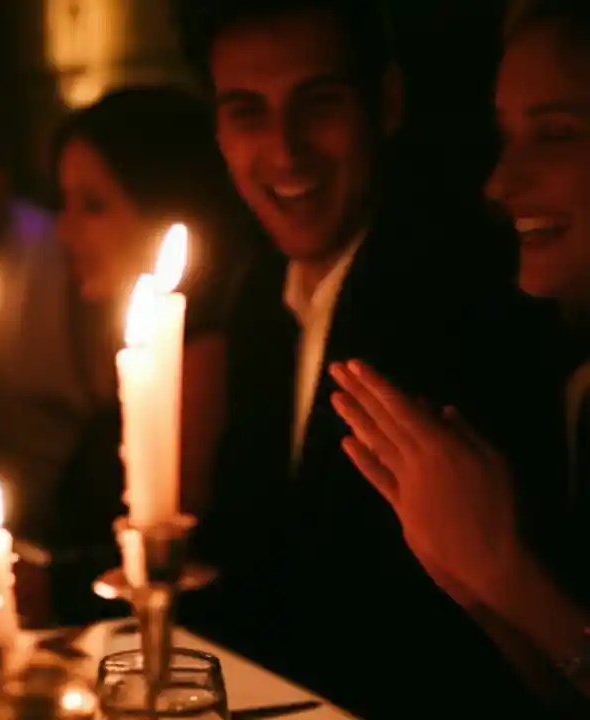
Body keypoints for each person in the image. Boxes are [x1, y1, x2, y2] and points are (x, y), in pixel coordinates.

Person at [175, 0, 567, 716]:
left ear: (385, 103)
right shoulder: (255, 288)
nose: (286, 152)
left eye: (318, 104)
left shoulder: (475, 292)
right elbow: (258, 564)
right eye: (248, 113)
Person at [330, 0, 590, 710]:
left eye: (557, 136)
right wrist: (465, 575)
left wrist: (504, 571)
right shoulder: (570, 379)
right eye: (505, 137)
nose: (500, 183)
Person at [0, 86, 252, 625]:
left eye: (94, 206)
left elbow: (192, 557)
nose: (65, 231)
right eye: (64, 204)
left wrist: (51, 588)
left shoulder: (208, 355)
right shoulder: (140, 350)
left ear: (166, 210)